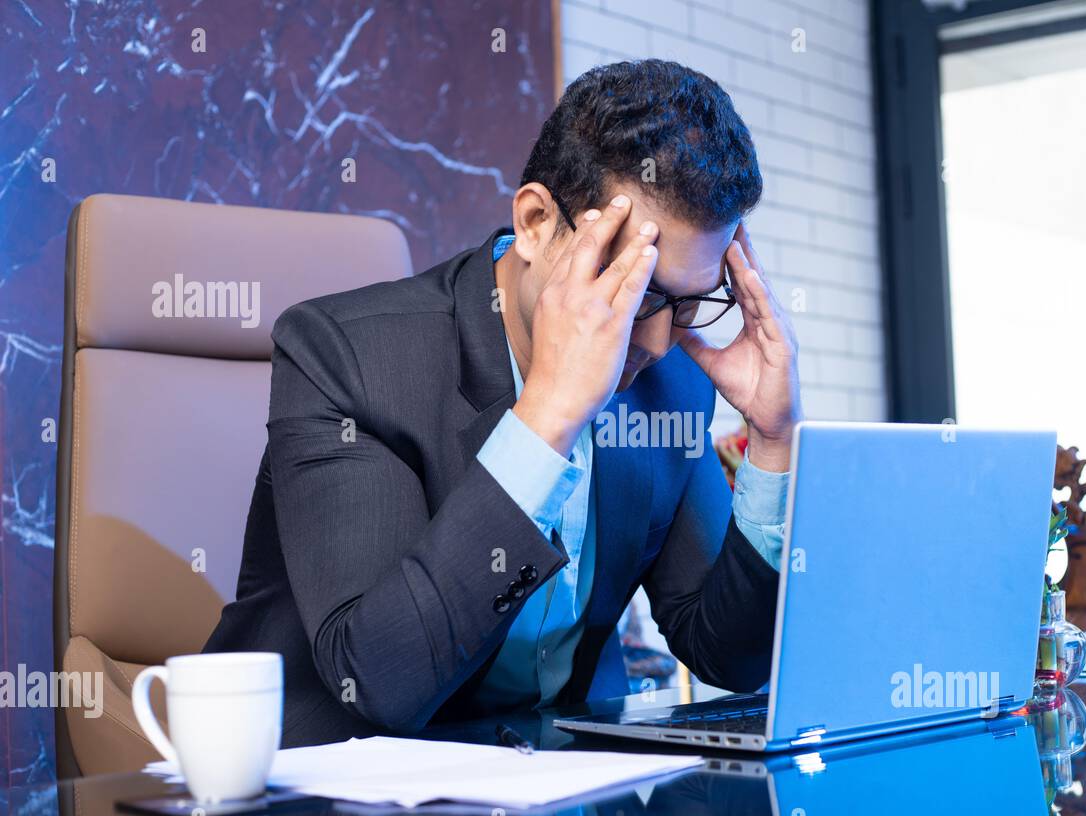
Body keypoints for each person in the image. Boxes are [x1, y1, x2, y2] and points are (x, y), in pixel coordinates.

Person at [205, 59, 803, 746]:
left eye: (695, 301)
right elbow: (378, 681)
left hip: (551, 790)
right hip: (333, 799)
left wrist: (775, 441)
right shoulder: (346, 357)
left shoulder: (668, 381)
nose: (661, 341)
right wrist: (548, 414)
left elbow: (729, 654)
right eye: (637, 293)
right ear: (535, 222)